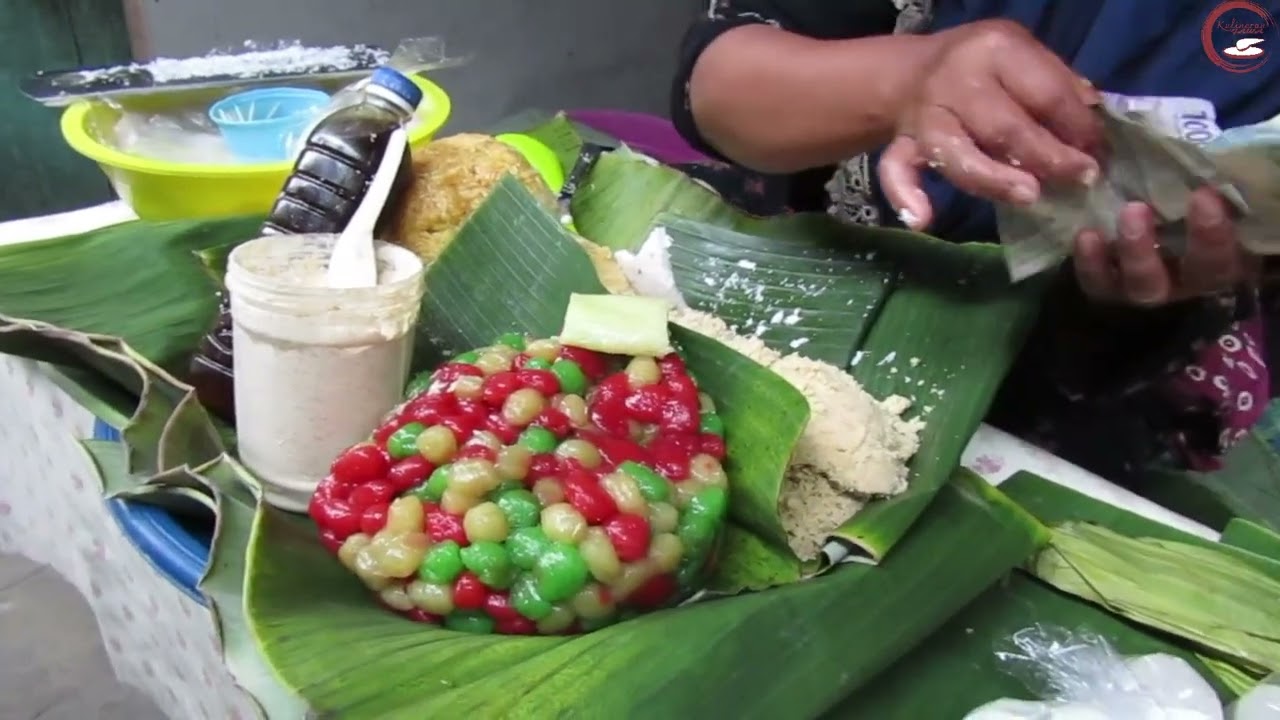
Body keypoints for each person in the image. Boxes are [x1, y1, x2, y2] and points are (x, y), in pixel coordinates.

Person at [670, 0, 1279, 482]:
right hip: (808, 279)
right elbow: (720, 87)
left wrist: (1186, 276)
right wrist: (907, 82)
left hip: (1084, 389)